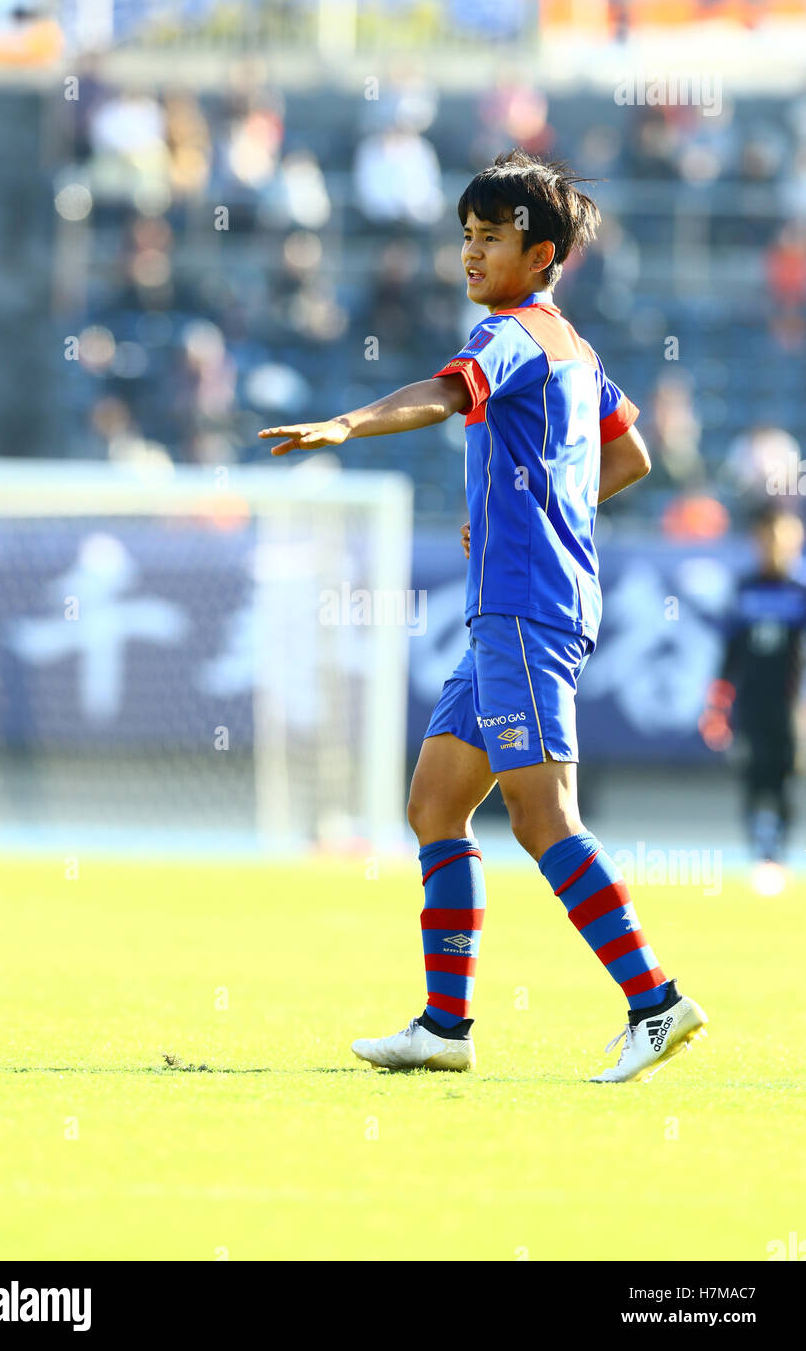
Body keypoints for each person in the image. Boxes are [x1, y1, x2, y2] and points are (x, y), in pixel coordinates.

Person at [260, 149, 708, 1082]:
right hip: (512, 604)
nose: (470, 255)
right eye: (465, 236)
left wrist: (346, 425)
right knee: (435, 803)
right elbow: (630, 461)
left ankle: (655, 1002)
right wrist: (538, 507)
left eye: (490, 239)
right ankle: (444, 1028)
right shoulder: (577, 353)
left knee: (544, 818)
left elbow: (441, 392)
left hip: (524, 608)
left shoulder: (509, 336)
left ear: (540, 255)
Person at [700, 504, 806, 893]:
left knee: (783, 780)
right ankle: (760, 855)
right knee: (752, 777)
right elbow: (730, 654)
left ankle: (776, 854)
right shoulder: (744, 589)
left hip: (789, 705)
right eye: (768, 537)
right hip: (750, 703)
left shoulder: (800, 592)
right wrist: (717, 703)